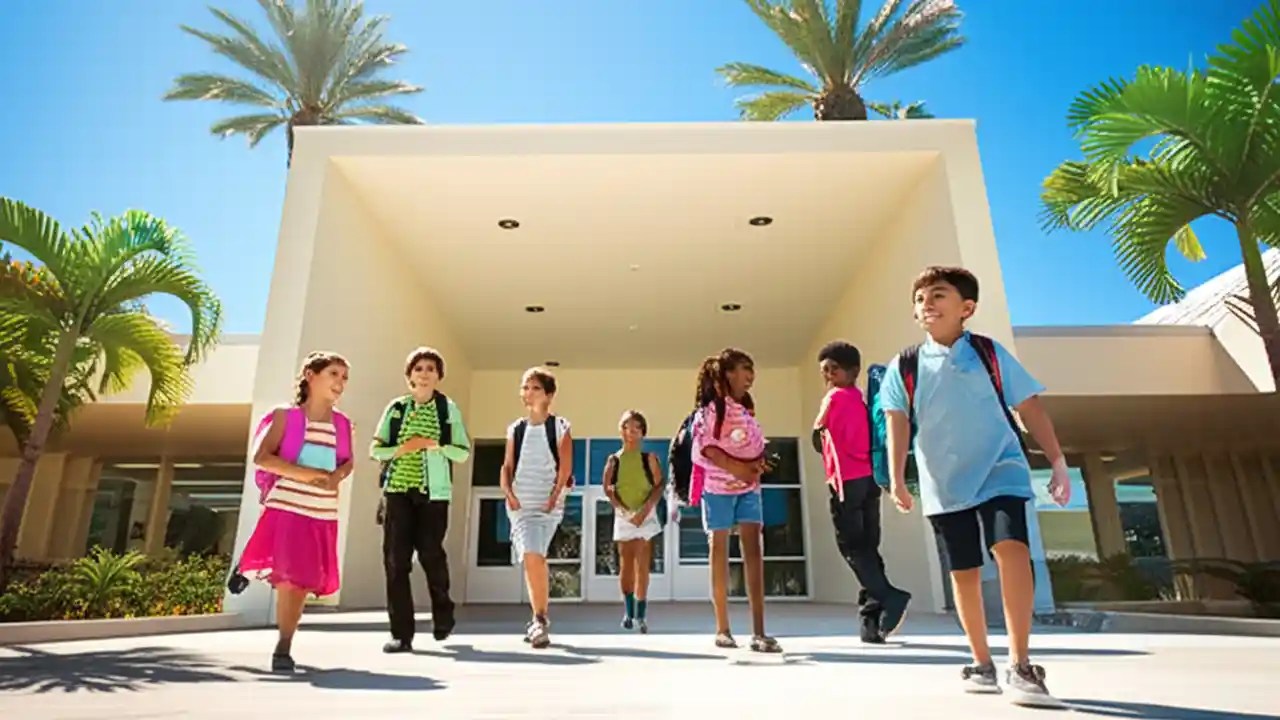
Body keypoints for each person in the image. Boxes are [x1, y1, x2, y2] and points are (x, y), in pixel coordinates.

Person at [880, 266, 1071, 708]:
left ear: (966, 308)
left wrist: (1058, 462)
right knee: (963, 571)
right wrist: (896, 479)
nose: (926, 301)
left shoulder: (988, 352)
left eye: (938, 294)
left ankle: (1021, 665)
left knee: (1012, 549)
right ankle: (981, 663)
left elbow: (1030, 406)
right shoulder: (905, 365)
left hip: (1000, 468)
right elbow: (897, 422)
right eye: (920, 297)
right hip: (944, 483)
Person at [238, 351, 354, 673]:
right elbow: (262, 457)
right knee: (289, 580)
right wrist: (305, 474)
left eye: (344, 377)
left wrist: (336, 477)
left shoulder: (343, 425)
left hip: (321, 511)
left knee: (301, 582)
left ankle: (286, 640)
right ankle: (283, 647)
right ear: (310, 376)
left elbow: (347, 461)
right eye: (334, 374)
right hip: (287, 506)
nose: (340, 382)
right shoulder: (284, 417)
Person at [370, 347, 471, 653]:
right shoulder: (397, 408)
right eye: (418, 368)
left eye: (430, 368)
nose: (424, 373)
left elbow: (462, 452)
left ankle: (443, 612)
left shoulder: (447, 409)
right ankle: (401, 634)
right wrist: (404, 448)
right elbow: (377, 449)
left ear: (439, 375)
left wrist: (433, 445)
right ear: (409, 375)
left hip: (433, 494)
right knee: (396, 563)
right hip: (397, 492)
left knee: (431, 554)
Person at [814, 340, 911, 643]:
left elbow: (817, 437)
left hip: (846, 482)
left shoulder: (834, 398)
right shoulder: (861, 400)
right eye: (825, 371)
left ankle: (890, 597)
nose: (828, 376)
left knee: (852, 547)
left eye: (834, 370)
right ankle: (871, 624)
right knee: (868, 548)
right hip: (869, 482)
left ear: (852, 371)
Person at [690, 348, 781, 654]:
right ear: (728, 373)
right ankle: (723, 629)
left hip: (748, 491)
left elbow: (752, 446)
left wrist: (759, 465)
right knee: (719, 552)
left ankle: (759, 632)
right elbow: (709, 450)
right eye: (745, 368)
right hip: (718, 491)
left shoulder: (746, 410)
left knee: (754, 552)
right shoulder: (712, 410)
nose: (751, 376)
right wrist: (741, 469)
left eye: (752, 369)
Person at [500, 367, 573, 649]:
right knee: (533, 556)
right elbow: (506, 466)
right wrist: (508, 493)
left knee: (534, 555)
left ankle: (539, 618)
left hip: (547, 503)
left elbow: (565, 467)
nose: (528, 393)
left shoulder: (560, 426)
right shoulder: (515, 429)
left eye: (535, 388)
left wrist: (555, 495)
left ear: (549, 395)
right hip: (519, 503)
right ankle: (539, 618)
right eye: (525, 387)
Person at [602, 409, 664, 633]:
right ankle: (628, 612)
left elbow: (659, 485)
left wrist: (645, 510)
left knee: (642, 566)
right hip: (624, 516)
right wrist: (623, 510)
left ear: (643, 433)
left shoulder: (649, 459)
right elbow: (607, 489)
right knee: (626, 565)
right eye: (627, 427)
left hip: (646, 515)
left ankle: (641, 614)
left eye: (636, 428)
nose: (631, 432)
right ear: (621, 430)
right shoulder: (614, 460)